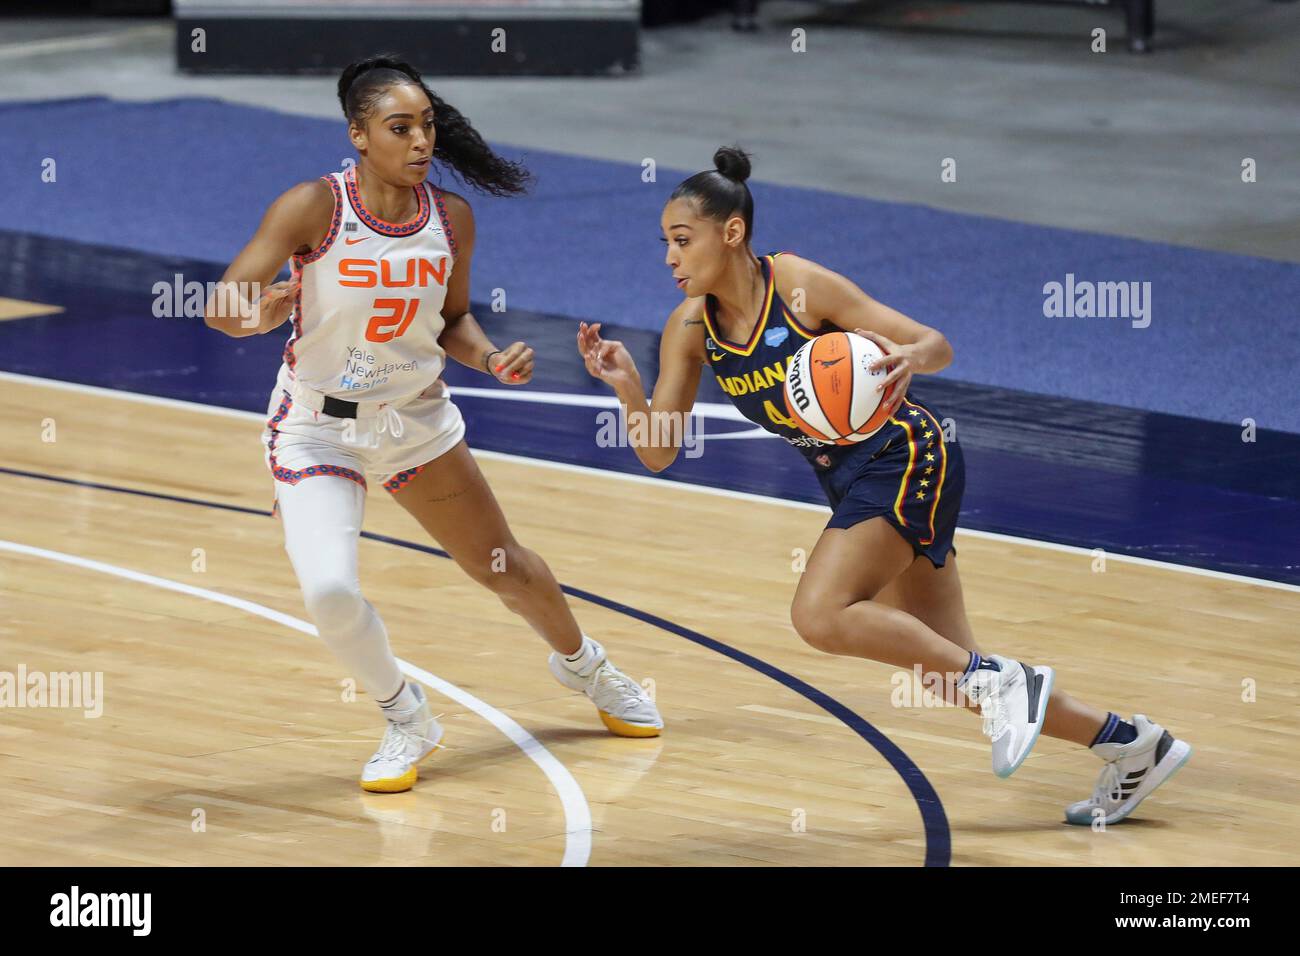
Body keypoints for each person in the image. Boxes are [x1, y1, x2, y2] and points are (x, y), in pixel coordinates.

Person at [576, 146, 1190, 824]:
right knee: (949, 670)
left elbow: (935, 344)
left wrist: (906, 357)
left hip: (906, 454)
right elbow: (659, 452)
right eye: (666, 243)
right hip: (850, 480)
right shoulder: (690, 329)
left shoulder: (801, 286)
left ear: (732, 233)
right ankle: (1133, 744)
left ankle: (1012, 683)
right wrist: (629, 387)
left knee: (819, 614)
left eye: (682, 240)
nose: (670, 257)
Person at [204, 54, 662, 794]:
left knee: (501, 566)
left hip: (414, 420)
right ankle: (405, 716)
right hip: (318, 426)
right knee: (328, 591)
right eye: (400, 128)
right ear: (359, 134)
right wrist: (255, 316)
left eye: (427, 126)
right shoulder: (312, 208)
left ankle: (589, 668)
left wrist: (489, 360)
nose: (421, 141)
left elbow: (450, 320)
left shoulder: (451, 218)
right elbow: (221, 307)